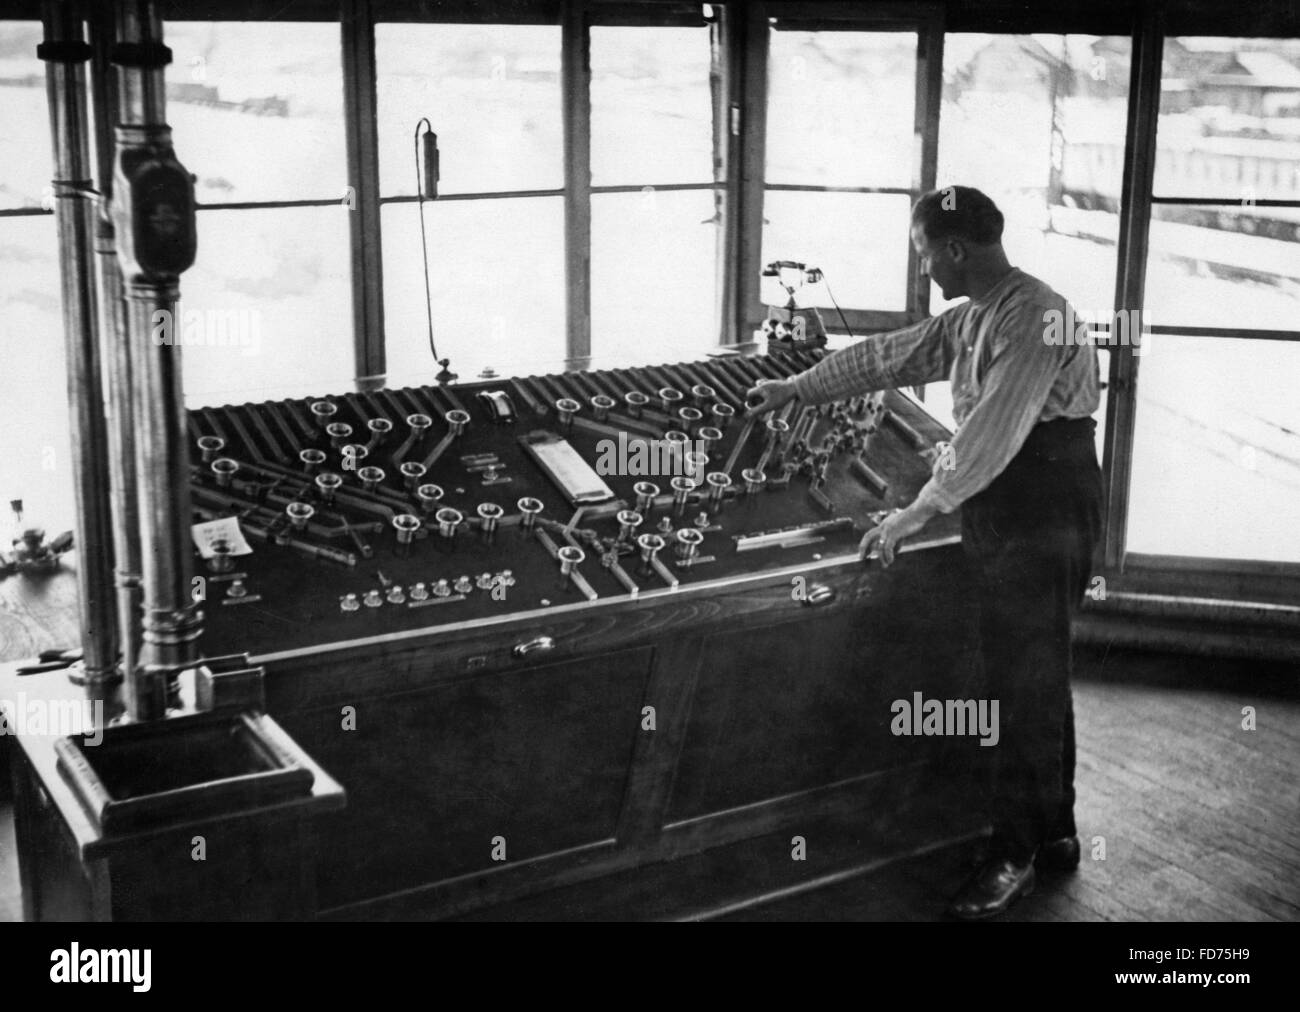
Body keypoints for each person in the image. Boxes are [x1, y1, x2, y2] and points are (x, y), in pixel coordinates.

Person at [745, 186, 1104, 920]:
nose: (924, 271)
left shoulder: (1035, 315)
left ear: (953, 250)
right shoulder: (975, 314)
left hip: (1042, 497)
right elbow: (891, 355)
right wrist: (799, 387)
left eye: (923, 256)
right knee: (1035, 670)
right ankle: (1053, 830)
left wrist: (916, 512)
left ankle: (1012, 854)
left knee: (1024, 681)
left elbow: (991, 436)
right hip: (1013, 496)